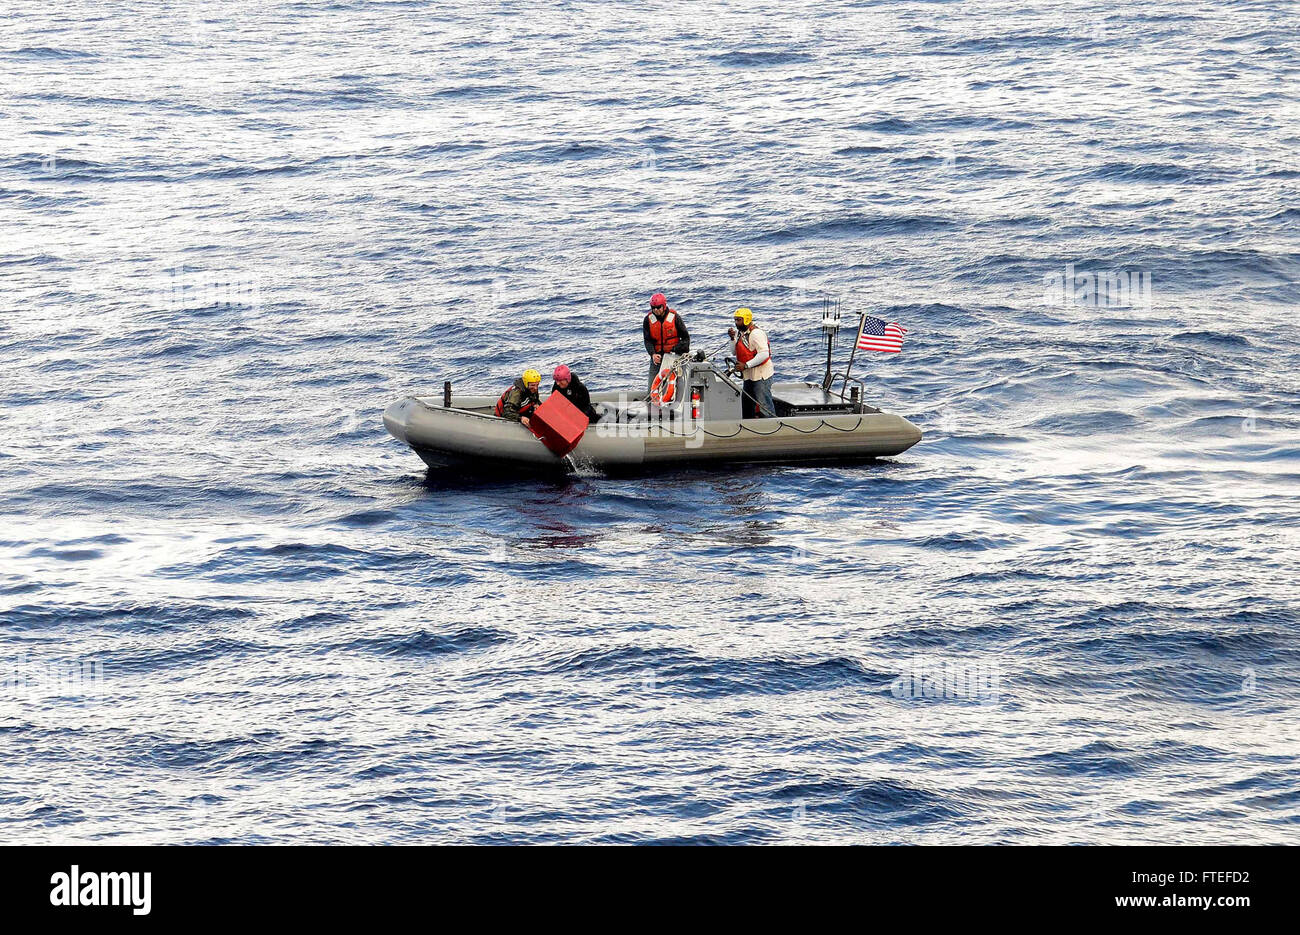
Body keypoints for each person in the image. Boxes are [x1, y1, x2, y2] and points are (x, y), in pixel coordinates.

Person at [728, 307, 775, 419]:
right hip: (749, 375)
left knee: (764, 404)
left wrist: (746, 365)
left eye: (738, 320)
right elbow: (734, 352)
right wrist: (732, 339)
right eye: (735, 320)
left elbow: (764, 354)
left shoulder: (756, 334)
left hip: (761, 375)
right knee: (747, 403)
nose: (736, 323)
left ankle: (771, 425)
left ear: (746, 320)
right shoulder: (741, 334)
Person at [643, 292, 690, 387]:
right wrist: (653, 354)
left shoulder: (674, 317)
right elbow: (647, 340)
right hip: (657, 359)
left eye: (658, 307)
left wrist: (675, 349)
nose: (655, 310)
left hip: (674, 357)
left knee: (675, 386)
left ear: (664, 306)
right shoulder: (648, 320)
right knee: (652, 388)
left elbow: (686, 338)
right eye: (653, 308)